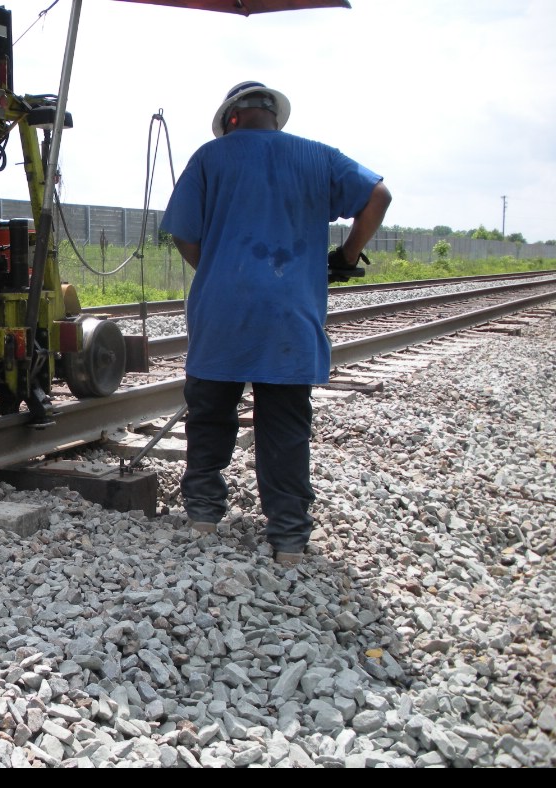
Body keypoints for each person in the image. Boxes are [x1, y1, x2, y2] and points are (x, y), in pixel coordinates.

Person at [160, 80, 392, 566]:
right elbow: (380, 196)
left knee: (209, 413)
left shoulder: (210, 158)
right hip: (290, 316)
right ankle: (288, 540)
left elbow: (183, 232)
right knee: (285, 427)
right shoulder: (318, 158)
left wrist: (214, 264)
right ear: (274, 118)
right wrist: (347, 256)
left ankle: (203, 516)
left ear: (230, 120)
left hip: (222, 312)